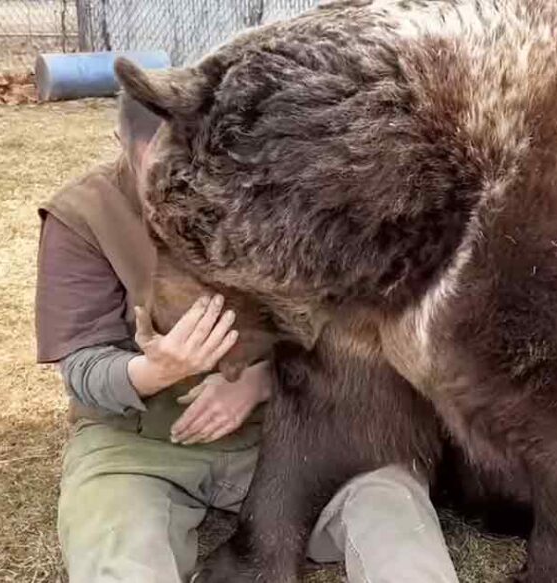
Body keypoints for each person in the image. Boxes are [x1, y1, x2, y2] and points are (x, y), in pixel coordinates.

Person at [35, 93, 460, 583]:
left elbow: (345, 331)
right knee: (119, 559)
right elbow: (83, 369)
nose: (186, 185)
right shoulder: (83, 216)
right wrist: (155, 372)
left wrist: (258, 382)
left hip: (288, 433)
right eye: (161, 166)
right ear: (122, 144)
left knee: (392, 510)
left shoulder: (277, 195)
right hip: (139, 447)